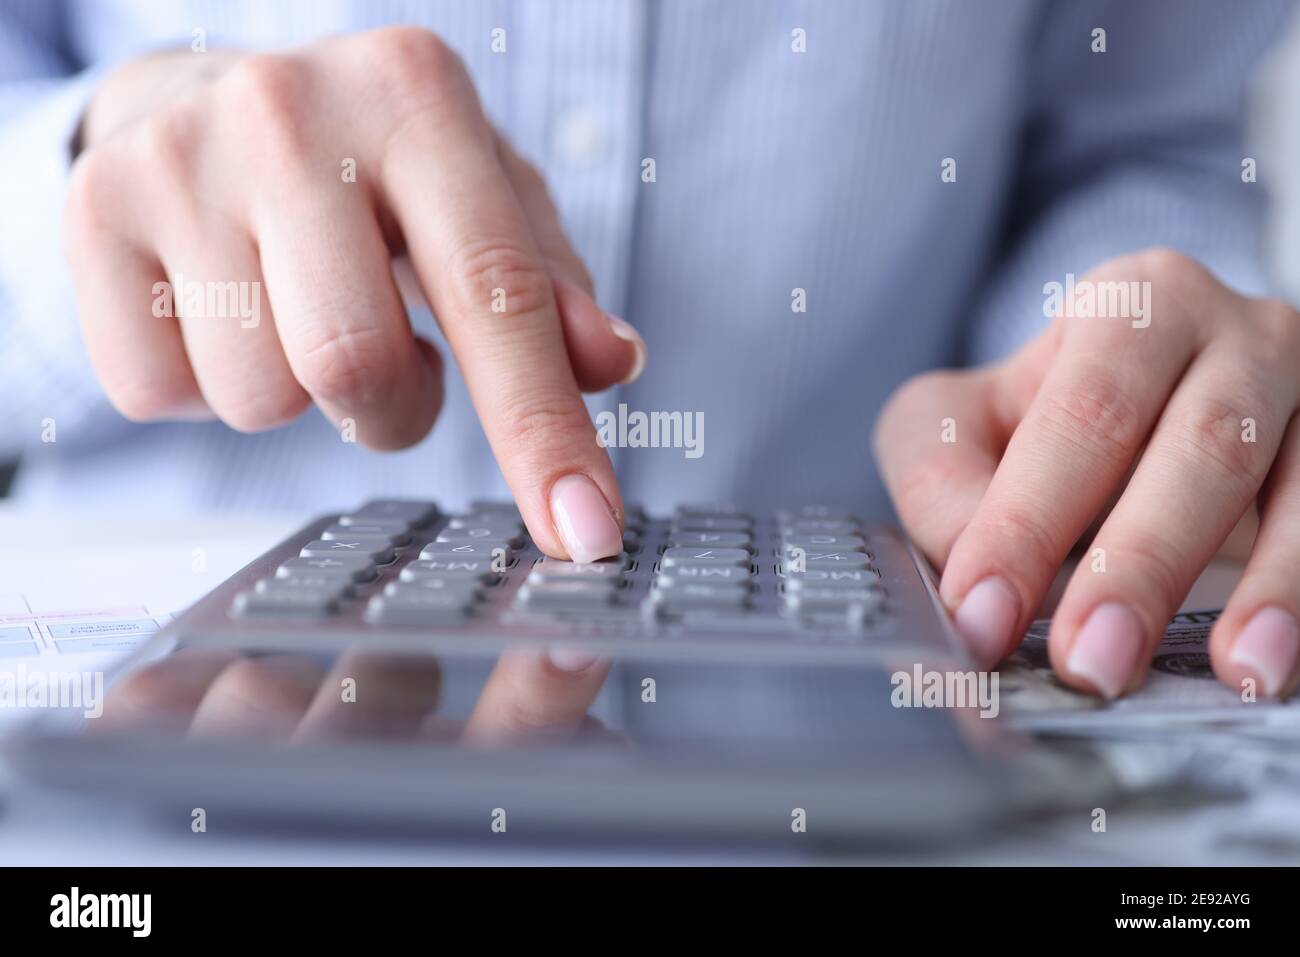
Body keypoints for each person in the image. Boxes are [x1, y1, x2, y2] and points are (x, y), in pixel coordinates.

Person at [1, 1, 1297, 701]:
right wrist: (91, 184)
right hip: (138, 688)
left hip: (878, 687)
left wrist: (1090, 382)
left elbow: (1134, 145)